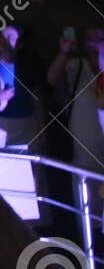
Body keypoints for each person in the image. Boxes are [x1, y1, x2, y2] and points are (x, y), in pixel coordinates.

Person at [49, 27, 104, 174]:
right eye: (89, 40)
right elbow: (52, 78)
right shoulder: (76, 66)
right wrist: (64, 52)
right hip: (85, 142)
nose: (93, 44)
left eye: (98, 39)